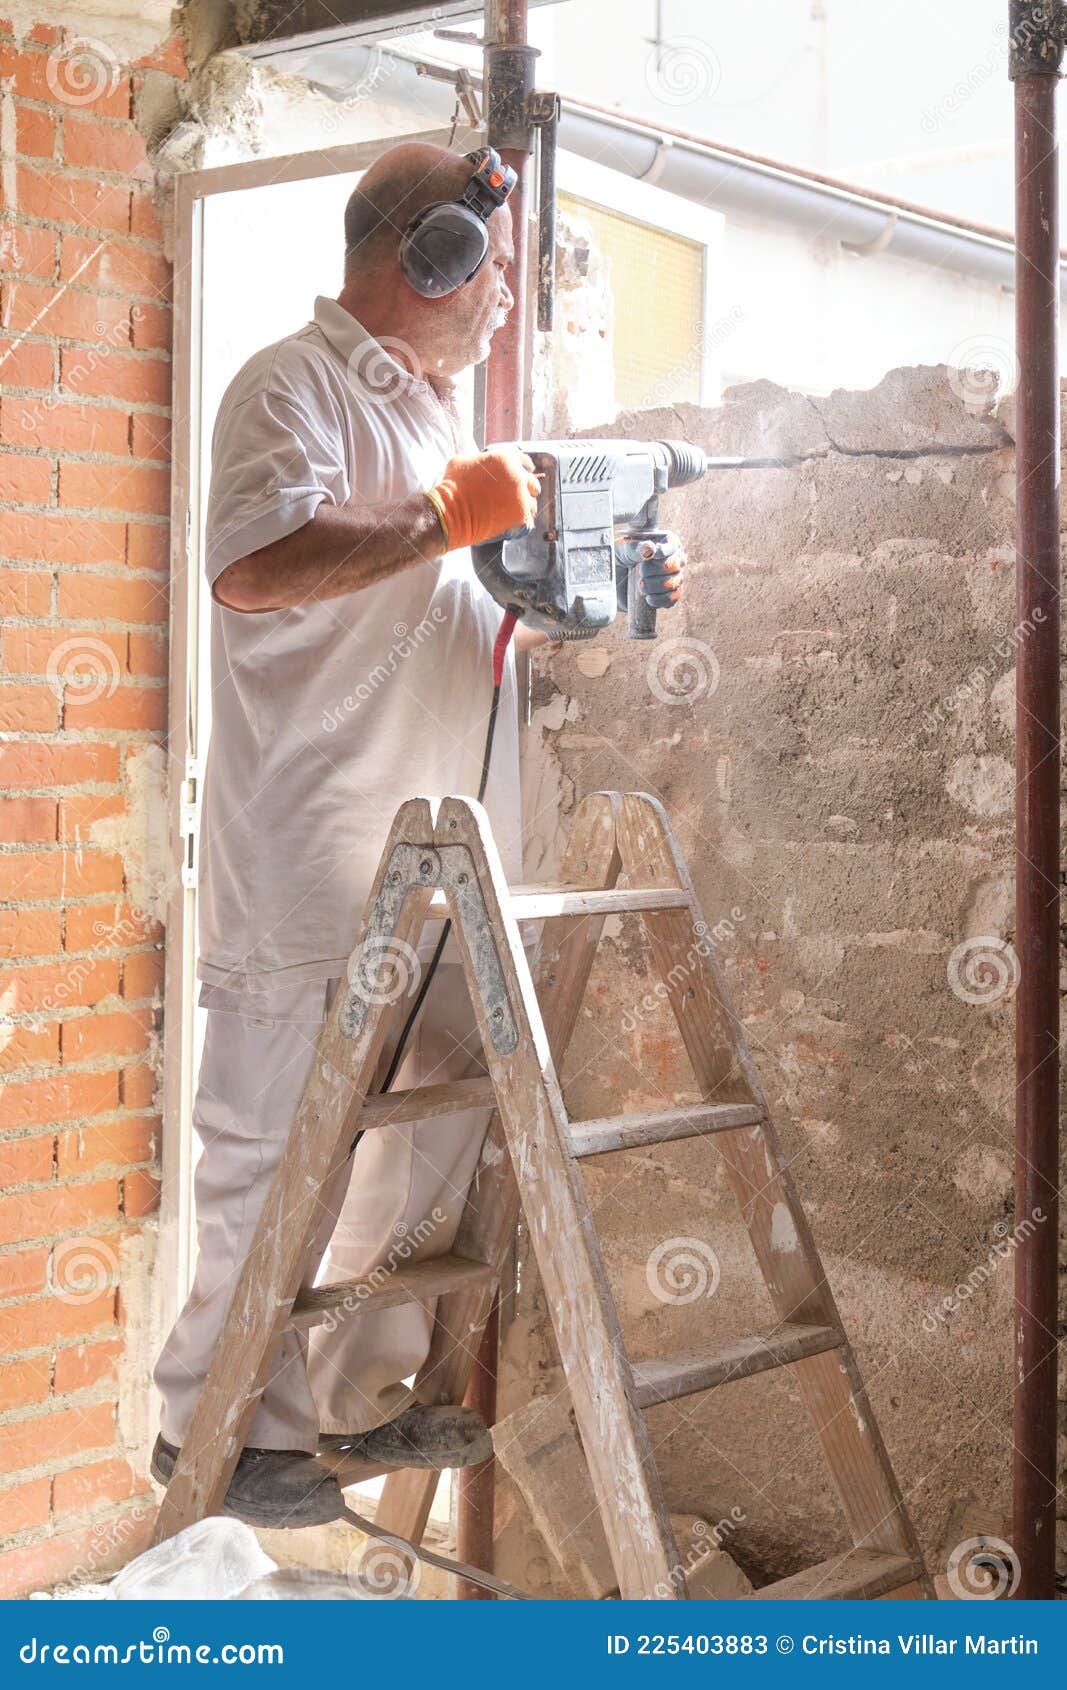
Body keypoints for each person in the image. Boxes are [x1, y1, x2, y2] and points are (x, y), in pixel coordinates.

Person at [151, 140, 685, 1526]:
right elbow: (255, 565)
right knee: (265, 1146)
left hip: (439, 860)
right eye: (492, 268)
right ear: (428, 258)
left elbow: (463, 607)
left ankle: (351, 1401)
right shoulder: (292, 386)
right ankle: (215, 1421)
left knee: (428, 1131)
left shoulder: (438, 423)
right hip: (312, 847)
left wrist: (610, 582)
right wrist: (449, 511)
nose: (503, 296)